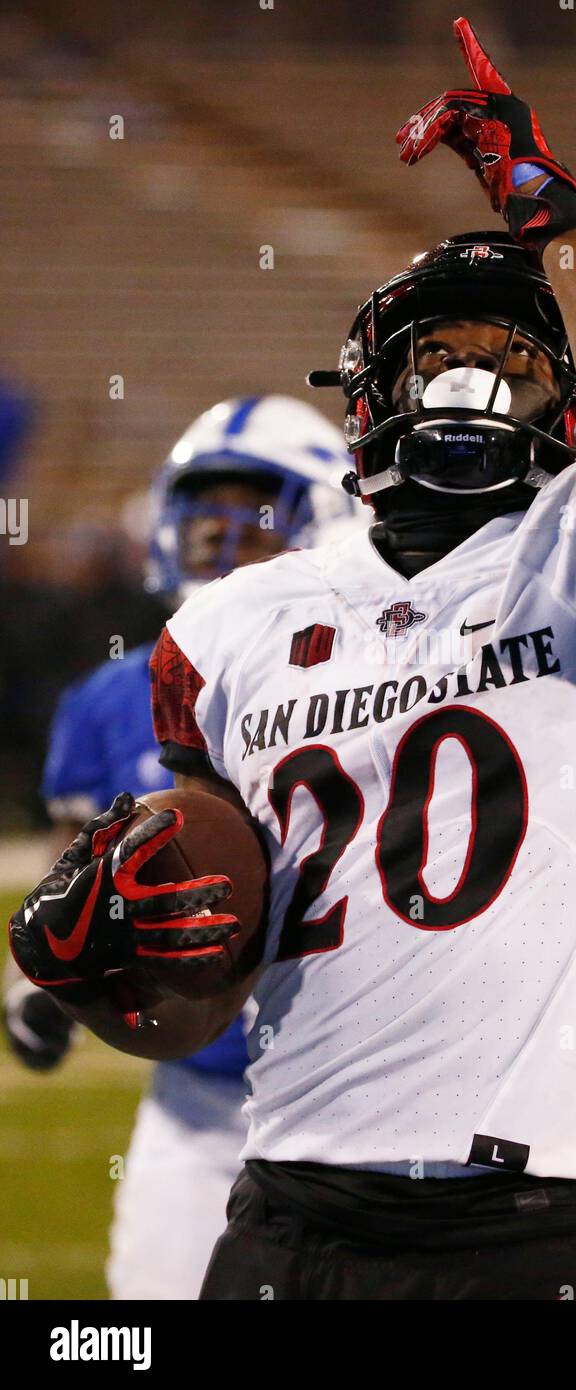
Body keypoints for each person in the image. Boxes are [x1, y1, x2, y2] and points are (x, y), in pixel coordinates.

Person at [9, 20, 576, 1301]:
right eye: (435, 353)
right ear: (370, 393)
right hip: (287, 1219)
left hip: (536, 1225)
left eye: (512, 357)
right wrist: (101, 972)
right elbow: (204, 994)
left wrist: (549, 206)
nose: (467, 377)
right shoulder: (231, 627)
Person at [3, 393, 356, 1299]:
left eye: (253, 508)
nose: (216, 532)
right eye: (202, 508)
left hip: (358, 1100)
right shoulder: (111, 696)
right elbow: (74, 869)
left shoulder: (380, 672)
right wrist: (44, 983)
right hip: (199, 1105)